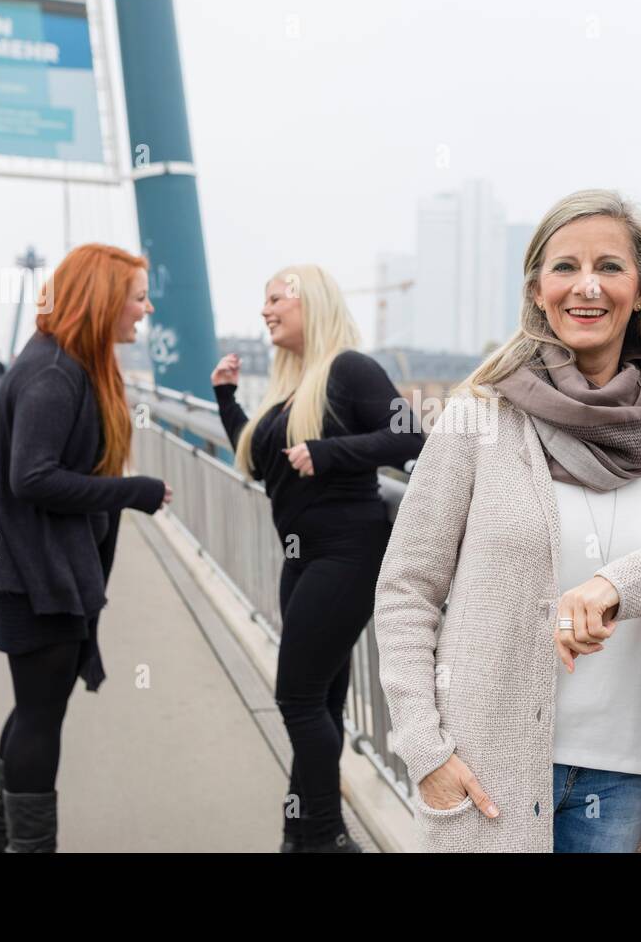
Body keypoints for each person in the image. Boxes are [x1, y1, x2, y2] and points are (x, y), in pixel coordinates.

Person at [374, 188, 641, 852]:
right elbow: (406, 589)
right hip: (488, 770)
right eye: (565, 267)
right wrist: (425, 751)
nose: (586, 286)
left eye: (609, 266)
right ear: (538, 291)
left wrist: (618, 585)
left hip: (620, 774)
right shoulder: (479, 419)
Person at [0, 243, 172, 853]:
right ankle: (26, 845)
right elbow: (33, 477)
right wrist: (134, 491)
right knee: (42, 716)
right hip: (29, 568)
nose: (145, 309)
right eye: (137, 297)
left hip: (37, 563)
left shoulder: (65, 363)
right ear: (103, 300)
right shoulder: (53, 373)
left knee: (36, 707)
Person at [212, 264, 424, 852]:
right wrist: (226, 399)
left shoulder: (349, 370)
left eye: (276, 297)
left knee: (297, 700)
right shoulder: (289, 385)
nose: (265, 310)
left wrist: (330, 453)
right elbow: (258, 462)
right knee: (321, 701)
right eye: (264, 300)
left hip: (347, 553)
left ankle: (328, 838)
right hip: (301, 557)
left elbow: (412, 440)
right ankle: (299, 835)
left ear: (313, 305)